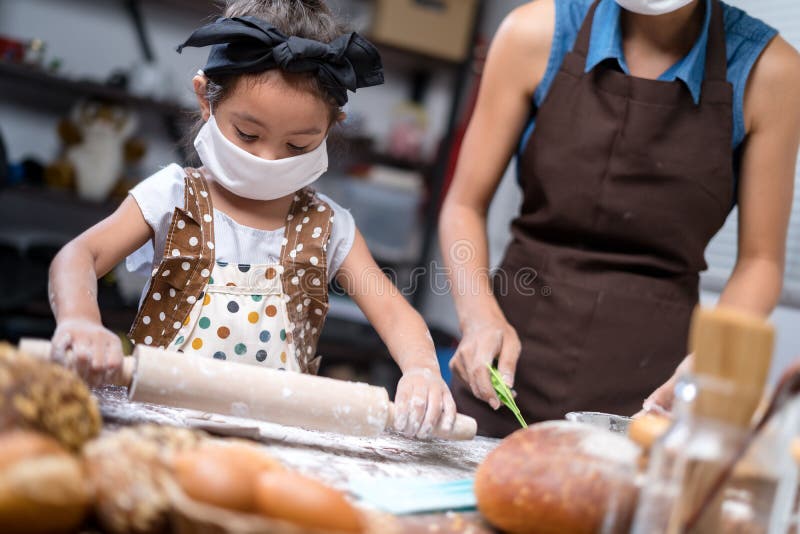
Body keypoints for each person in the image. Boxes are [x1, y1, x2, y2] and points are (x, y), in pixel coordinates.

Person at [48, 0, 456, 439]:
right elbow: (79, 257)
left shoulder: (329, 226)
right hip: (159, 429)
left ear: (332, 126)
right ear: (206, 98)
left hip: (274, 442)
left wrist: (422, 371)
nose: (268, 158)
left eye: (298, 145)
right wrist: (80, 321)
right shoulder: (173, 196)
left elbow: (395, 315)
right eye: (248, 134)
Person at [441, 0, 800, 437]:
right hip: (505, 376)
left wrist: (713, 361)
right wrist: (477, 315)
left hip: (652, 395)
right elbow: (464, 205)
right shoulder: (531, 34)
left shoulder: (771, 72)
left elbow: (760, 261)